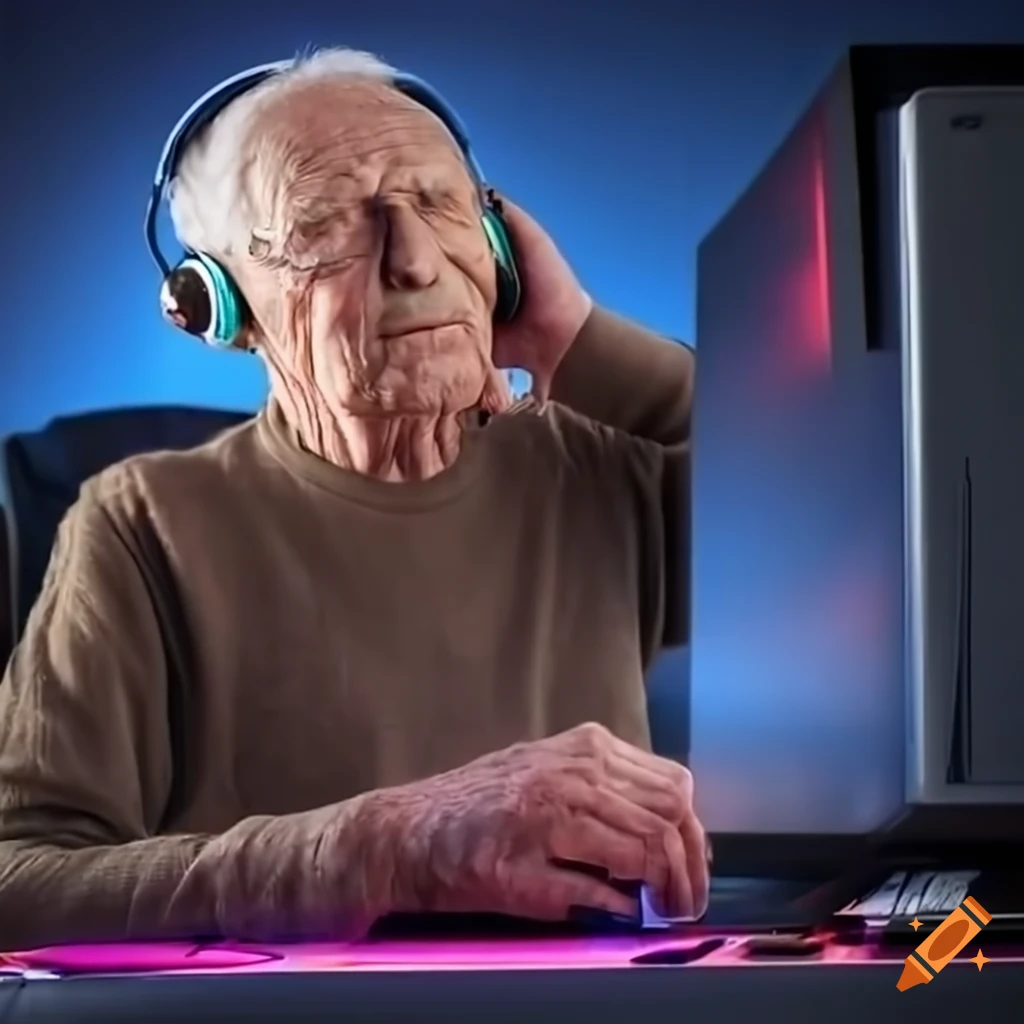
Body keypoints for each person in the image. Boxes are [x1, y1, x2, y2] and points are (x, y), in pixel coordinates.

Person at [0, 47, 703, 951]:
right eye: (327, 224)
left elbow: (854, 508)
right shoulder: (141, 524)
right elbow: (17, 879)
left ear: (502, 251)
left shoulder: (611, 469)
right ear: (215, 307)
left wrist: (578, 340)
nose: (415, 261)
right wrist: (366, 851)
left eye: (443, 207)